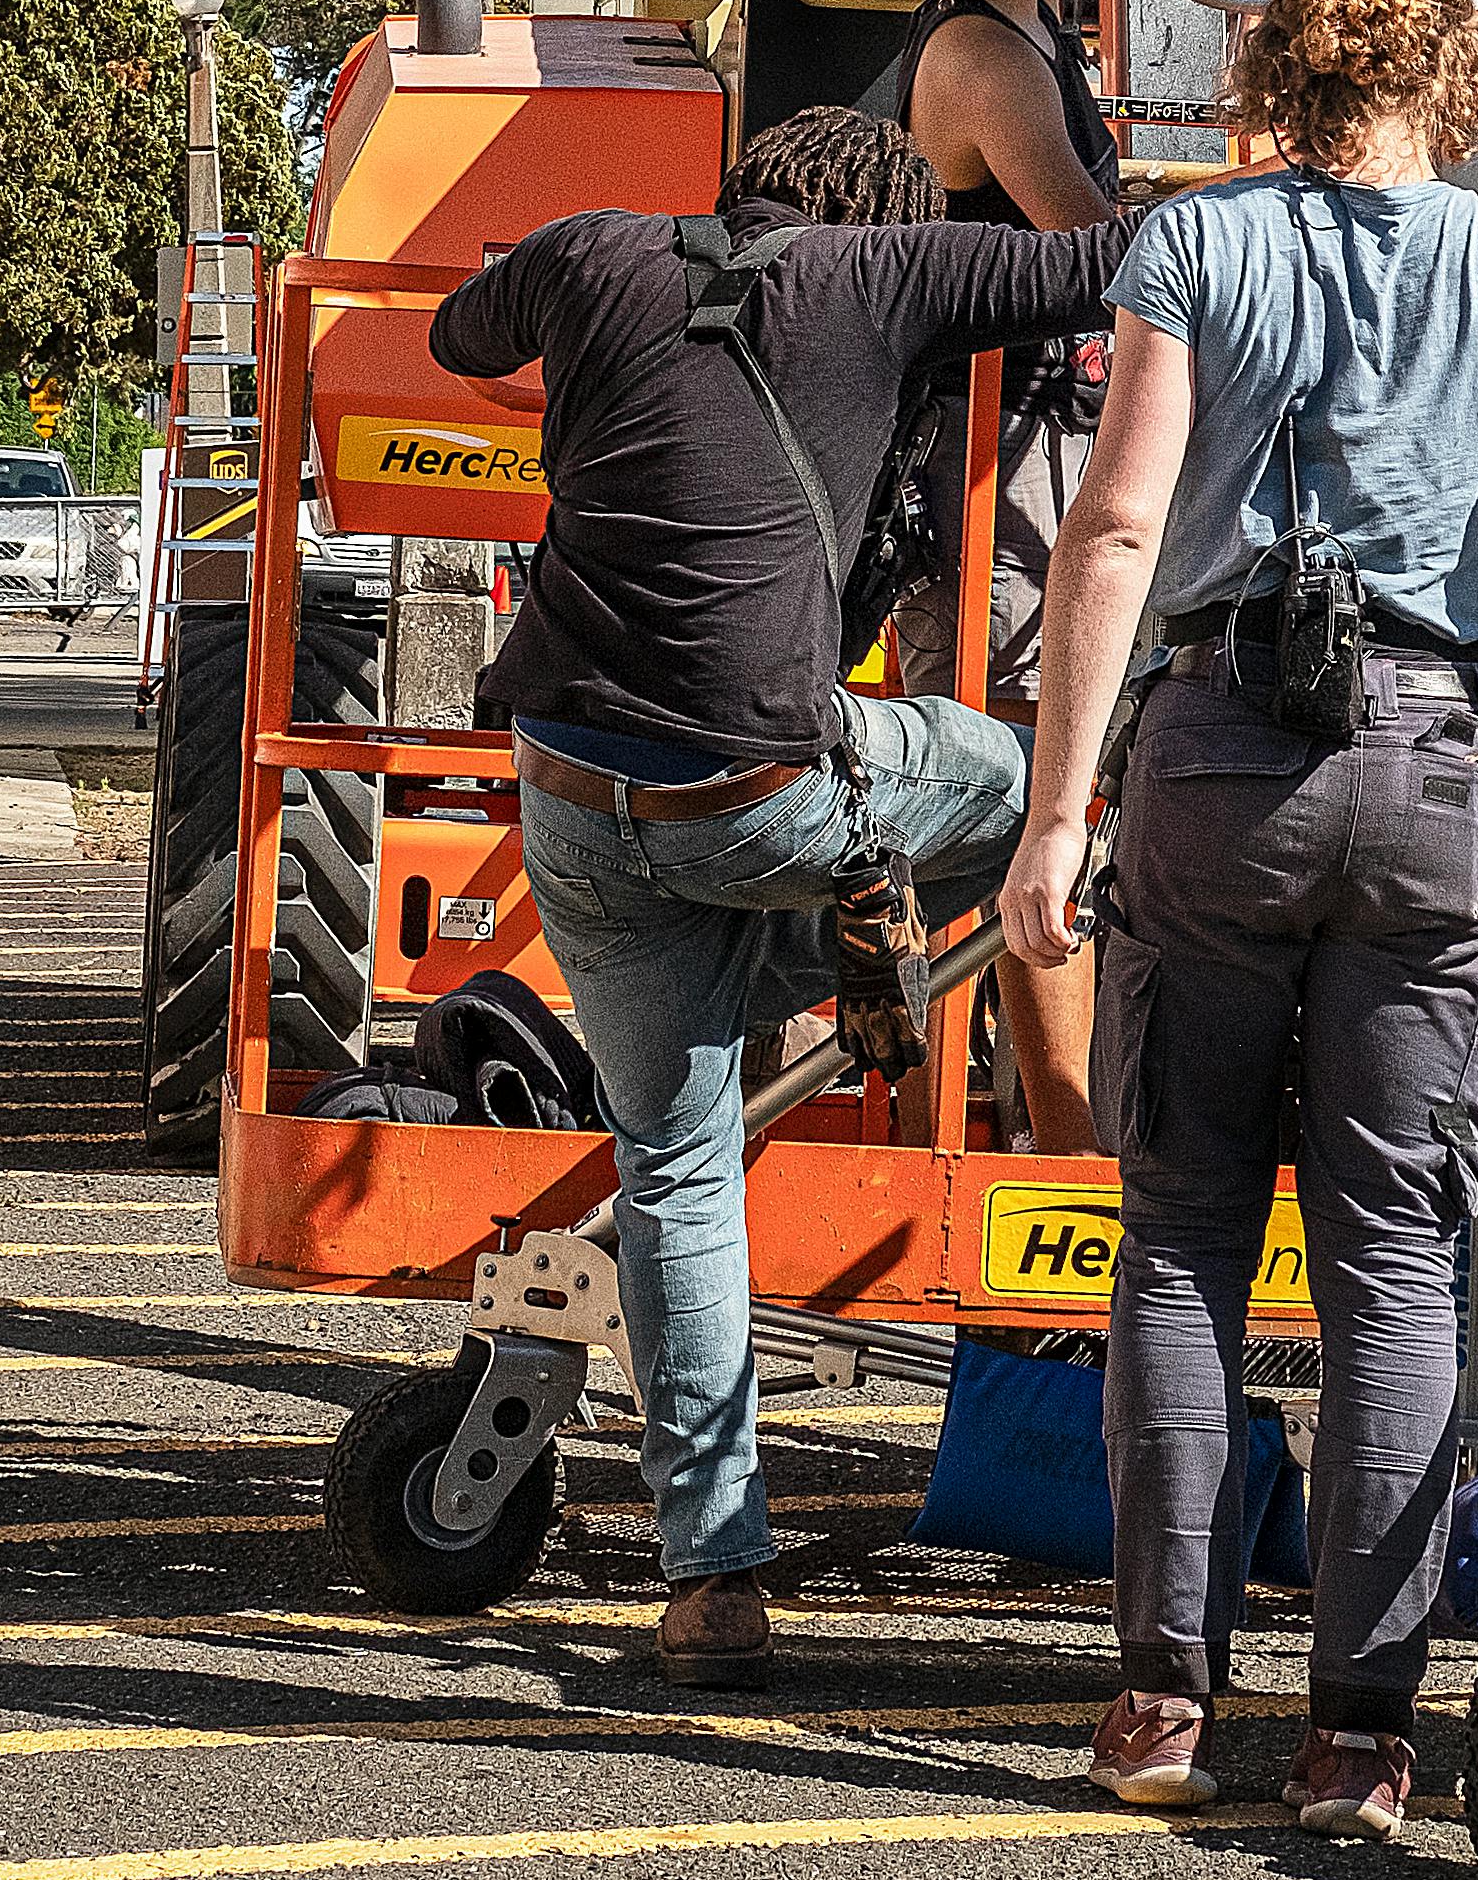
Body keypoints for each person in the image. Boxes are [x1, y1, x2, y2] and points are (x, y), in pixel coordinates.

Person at [1003, 0, 1478, 1839]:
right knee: (1394, 1256)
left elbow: (1114, 531)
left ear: (1278, 56)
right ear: (1449, 68)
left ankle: (1160, 1696)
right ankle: (1359, 1730)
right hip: (1430, 764)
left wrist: (1058, 811)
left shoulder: (1193, 244)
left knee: (1180, 1229)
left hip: (1213, 759)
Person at [439, 105, 1120, 1683]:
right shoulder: (881, 274)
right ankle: (863, 912)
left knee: (676, 1169)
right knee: (1052, 804)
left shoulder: (592, 253)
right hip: (769, 790)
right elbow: (1111, 260)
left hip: (568, 793)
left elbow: (462, 337)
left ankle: (712, 1585)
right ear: (878, 217)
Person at [875, 0, 1169, 1143]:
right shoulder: (983, 55)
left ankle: (1043, 1115)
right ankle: (1065, 1140)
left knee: (1051, 780)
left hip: (1033, 450)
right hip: (983, 469)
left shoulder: (1035, 22)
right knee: (1022, 787)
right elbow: (1092, 244)